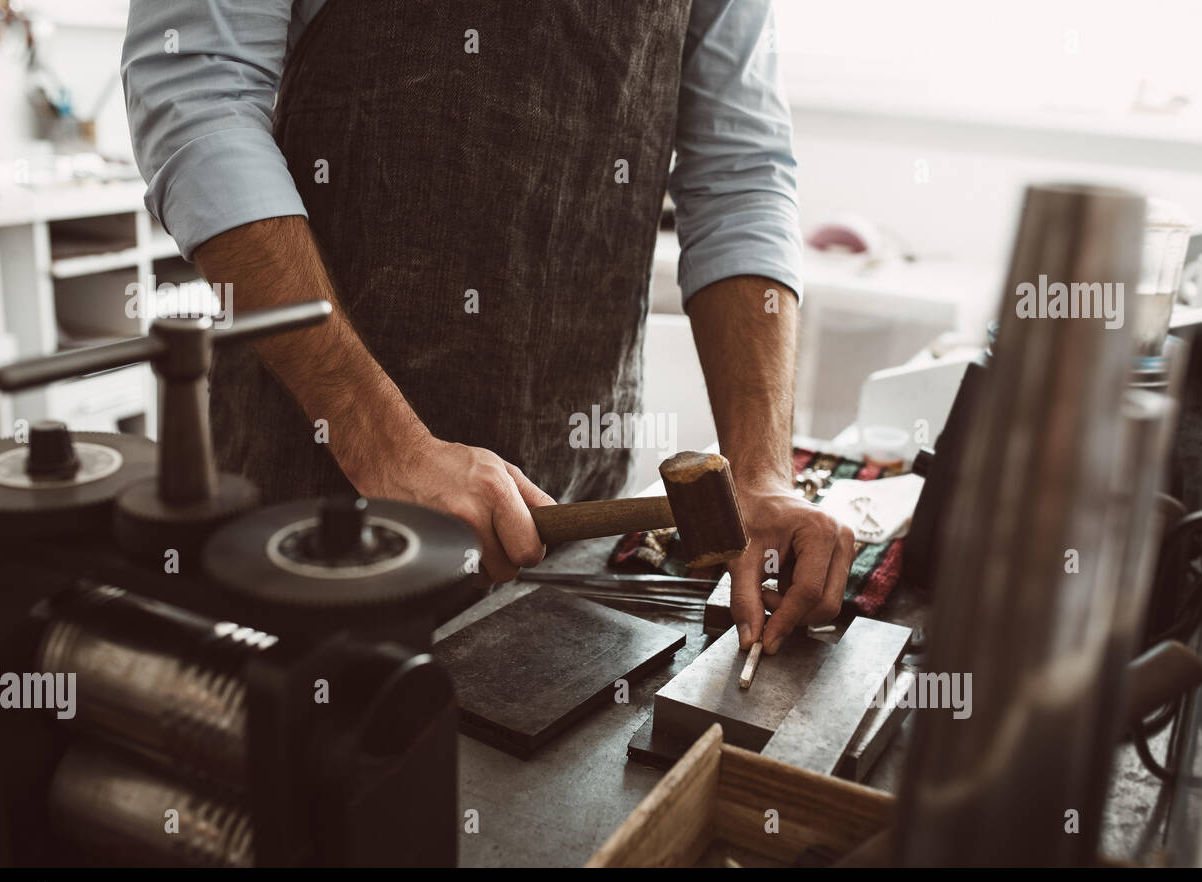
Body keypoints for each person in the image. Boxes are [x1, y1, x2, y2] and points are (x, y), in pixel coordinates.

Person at [121, 0, 853, 654]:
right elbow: (198, 98)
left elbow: (740, 172)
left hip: (573, 517)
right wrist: (383, 442)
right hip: (314, 502)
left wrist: (759, 472)